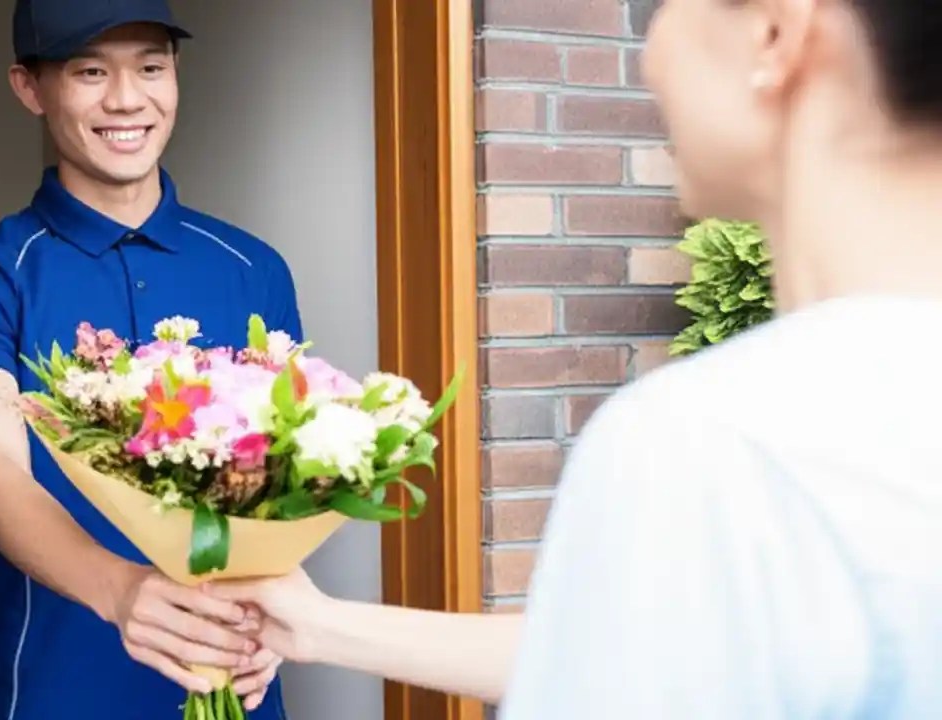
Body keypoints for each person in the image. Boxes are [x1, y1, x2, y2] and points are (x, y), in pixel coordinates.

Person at [212, 0, 942, 717]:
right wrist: (319, 625)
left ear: (777, 32)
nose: (651, 48)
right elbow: (653, 653)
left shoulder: (705, 440)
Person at [0, 0, 303, 717]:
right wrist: (122, 590)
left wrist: (285, 604)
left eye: (150, 67)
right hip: (54, 690)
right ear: (30, 88)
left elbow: (279, 477)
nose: (127, 99)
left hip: (234, 687)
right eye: (90, 71)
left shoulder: (254, 269)